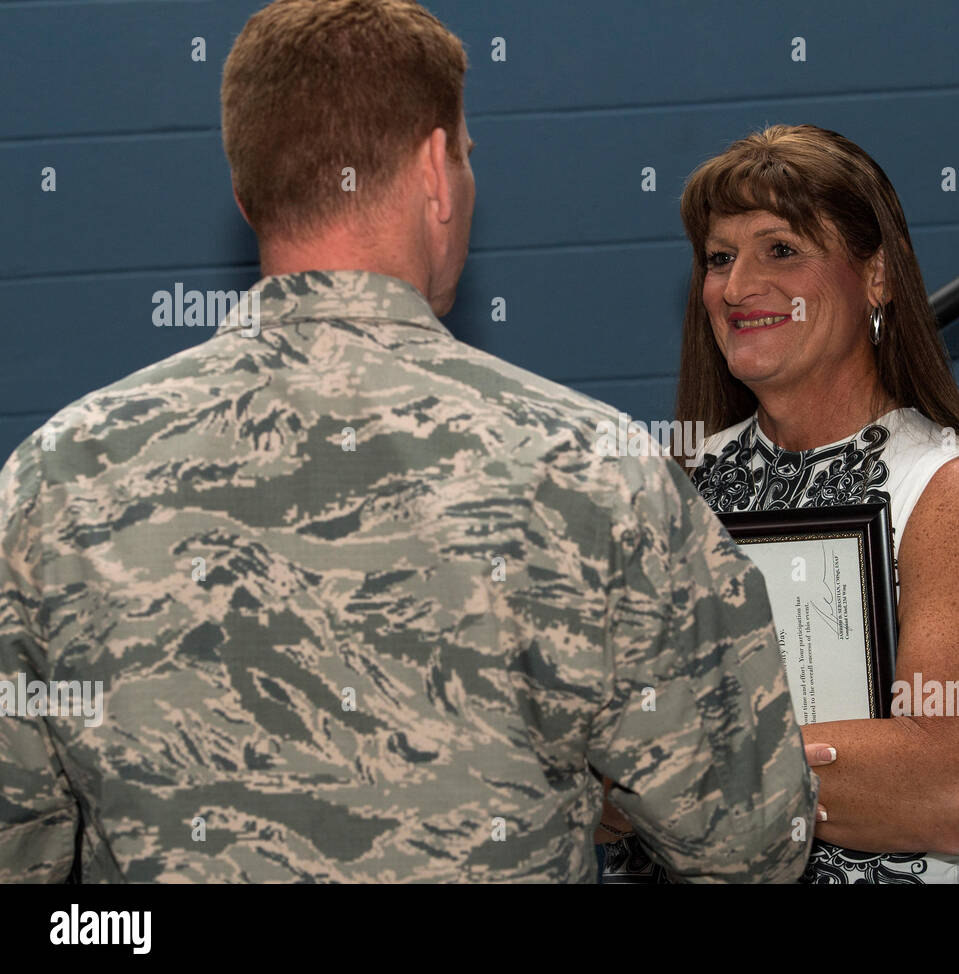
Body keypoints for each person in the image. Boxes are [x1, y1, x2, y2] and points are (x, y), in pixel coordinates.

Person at [0, 0, 815, 884]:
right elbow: (753, 844)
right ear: (436, 169)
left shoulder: (56, 481)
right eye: (466, 154)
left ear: (247, 194)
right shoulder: (592, 470)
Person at [603, 124, 959, 884]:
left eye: (781, 249)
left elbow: (947, 789)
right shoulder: (669, 486)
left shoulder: (953, 494)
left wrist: (663, 768)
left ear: (876, 276)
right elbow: (584, 758)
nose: (739, 286)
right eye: (720, 258)